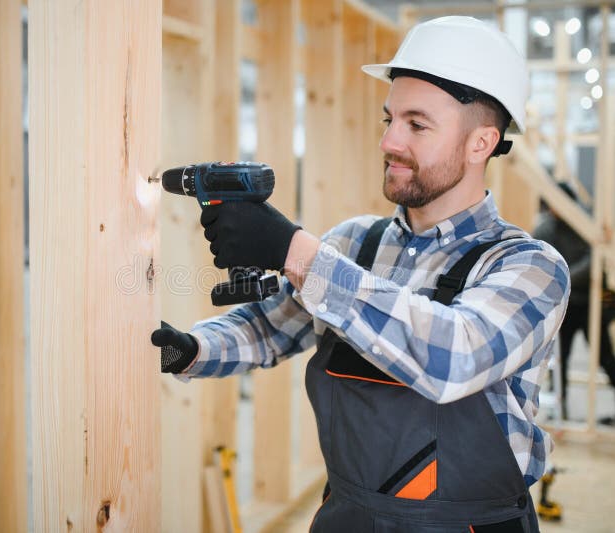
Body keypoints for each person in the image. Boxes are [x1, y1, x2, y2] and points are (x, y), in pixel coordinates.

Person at [152, 16, 569, 532]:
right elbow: (272, 327)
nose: (390, 141)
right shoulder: (355, 243)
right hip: (348, 516)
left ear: (482, 143)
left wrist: (297, 252)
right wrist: (191, 349)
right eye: (388, 119)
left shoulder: (529, 267)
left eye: (417, 125)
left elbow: (454, 357)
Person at [533, 182, 615, 425]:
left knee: (604, 354)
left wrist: (563, 275)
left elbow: (593, 263)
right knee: (560, 357)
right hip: (564, 305)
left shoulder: (584, 224)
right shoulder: (546, 229)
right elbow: (536, 258)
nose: (553, 210)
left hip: (589, 302)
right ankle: (560, 405)